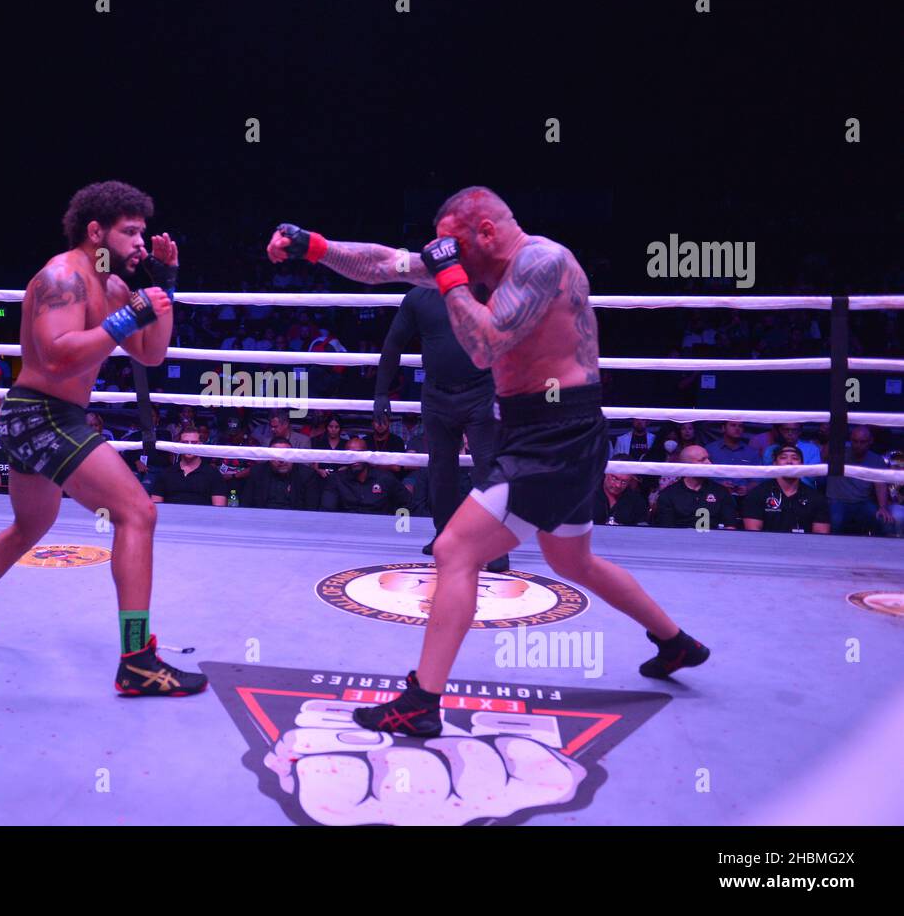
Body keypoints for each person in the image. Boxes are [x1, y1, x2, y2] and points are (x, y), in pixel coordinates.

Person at [269, 186, 708, 736]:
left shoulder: (543, 262)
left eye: (453, 245)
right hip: (544, 430)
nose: (446, 256)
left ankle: (422, 702)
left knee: (455, 549)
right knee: (574, 562)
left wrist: (450, 275)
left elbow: (485, 346)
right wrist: (312, 246)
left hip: (557, 432)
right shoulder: (473, 265)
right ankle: (676, 642)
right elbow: (384, 263)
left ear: (486, 232)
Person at [0, 181, 205, 696]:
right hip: (40, 414)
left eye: (144, 232)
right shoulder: (62, 277)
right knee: (138, 512)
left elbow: (151, 354)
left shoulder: (115, 288)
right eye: (130, 232)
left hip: (46, 418)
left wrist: (166, 288)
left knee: (28, 528)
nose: (141, 242)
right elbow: (56, 355)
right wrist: (130, 316)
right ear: (96, 231)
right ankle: (138, 660)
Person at [375, 285, 505, 566]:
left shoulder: (485, 289)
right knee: (441, 470)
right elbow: (394, 343)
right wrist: (381, 391)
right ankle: (444, 535)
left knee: (487, 467)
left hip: (481, 392)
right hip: (436, 396)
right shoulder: (418, 298)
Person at [742, 446, 831, 533]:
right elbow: (753, 533)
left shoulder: (816, 498)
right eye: (783, 458)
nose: (789, 462)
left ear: (802, 465)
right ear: (775, 464)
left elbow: (821, 536)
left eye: (795, 458)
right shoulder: (758, 494)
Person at [825, 426, 894, 535]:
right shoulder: (839, 454)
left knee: (885, 521)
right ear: (850, 440)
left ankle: (882, 551)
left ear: (870, 441)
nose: (858, 445)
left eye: (863, 442)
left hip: (862, 502)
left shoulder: (876, 460)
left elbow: (880, 485)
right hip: (837, 500)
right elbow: (824, 455)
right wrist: (836, 435)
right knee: (836, 522)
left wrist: (882, 507)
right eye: (855, 441)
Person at [652, 445, 739, 529]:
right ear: (687, 466)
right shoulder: (668, 495)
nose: (709, 463)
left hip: (714, 541)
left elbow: (730, 526)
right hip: (680, 541)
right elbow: (666, 531)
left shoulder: (721, 492)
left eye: (708, 459)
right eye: (702, 460)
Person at [320, 438, 408, 514]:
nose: (355, 459)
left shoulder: (385, 478)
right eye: (351, 455)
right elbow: (327, 511)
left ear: (366, 455)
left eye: (359, 454)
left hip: (378, 528)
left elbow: (406, 503)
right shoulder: (336, 480)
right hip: (347, 529)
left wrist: (395, 525)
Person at [149, 428, 227, 506]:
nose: (189, 446)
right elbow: (156, 507)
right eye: (185, 443)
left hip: (202, 517)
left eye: (193, 443)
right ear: (179, 445)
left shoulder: (213, 474)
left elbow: (219, 509)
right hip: (172, 517)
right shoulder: (166, 473)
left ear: (200, 445)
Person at [245, 437, 322, 510]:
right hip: (263, 519)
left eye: (286, 455)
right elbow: (246, 504)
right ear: (269, 458)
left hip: (296, 519)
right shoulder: (257, 472)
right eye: (277, 456)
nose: (281, 460)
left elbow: (312, 508)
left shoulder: (307, 475)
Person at [592, 457, 649, 525]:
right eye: (614, 478)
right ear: (606, 472)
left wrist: (623, 530)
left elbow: (643, 531)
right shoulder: (587, 496)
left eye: (624, 482)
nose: (618, 485)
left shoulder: (637, 501)